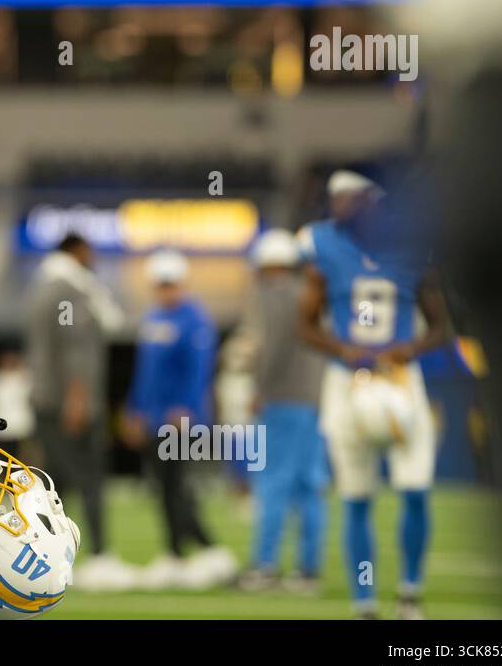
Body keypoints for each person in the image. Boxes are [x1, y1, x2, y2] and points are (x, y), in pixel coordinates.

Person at [297, 170, 453, 619]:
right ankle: (364, 603)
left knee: (415, 488)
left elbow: (441, 326)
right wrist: (343, 349)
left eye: (351, 197)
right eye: (336, 198)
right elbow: (304, 324)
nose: (340, 205)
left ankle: (409, 593)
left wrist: (409, 348)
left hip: (401, 381)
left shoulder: (411, 246)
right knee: (356, 495)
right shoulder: (322, 244)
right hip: (348, 383)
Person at [121, 249, 237, 589]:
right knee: (162, 488)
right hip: (154, 419)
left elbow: (199, 372)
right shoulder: (152, 319)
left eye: (170, 283)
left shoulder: (195, 320)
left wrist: (186, 408)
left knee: (177, 489)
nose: (165, 290)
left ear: (182, 284)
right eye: (161, 284)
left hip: (181, 419)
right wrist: (134, 409)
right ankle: (175, 554)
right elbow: (145, 372)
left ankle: (209, 551)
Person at [26, 233, 135, 590]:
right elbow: (75, 347)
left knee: (53, 483)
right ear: (76, 251)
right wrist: (78, 398)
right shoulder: (68, 290)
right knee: (88, 479)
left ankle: (49, 558)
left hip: (48, 400)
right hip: (67, 403)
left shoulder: (43, 285)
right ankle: (99, 555)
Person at [232, 230, 328, 593]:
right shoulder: (311, 293)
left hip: (284, 399)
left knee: (272, 482)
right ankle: (308, 571)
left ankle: (265, 566)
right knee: (309, 486)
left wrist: (261, 388)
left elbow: (273, 347)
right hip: (315, 400)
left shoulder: (275, 293)